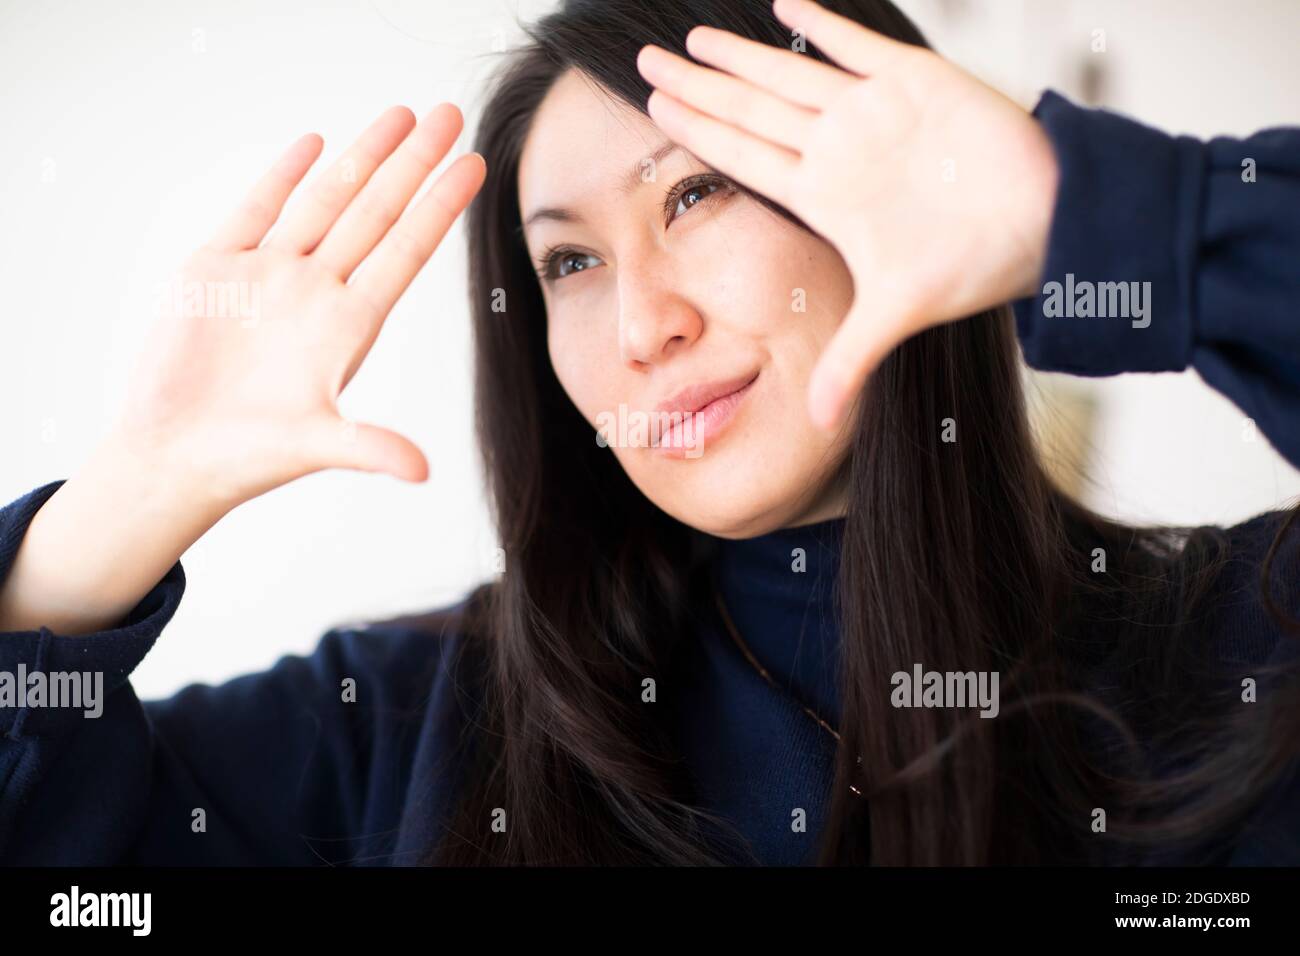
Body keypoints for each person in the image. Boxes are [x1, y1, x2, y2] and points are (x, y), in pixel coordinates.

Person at [1, 0, 1298, 866]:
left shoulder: (1232, 648)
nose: (640, 326)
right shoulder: (400, 724)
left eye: (696, 194)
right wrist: (133, 494)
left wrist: (1091, 217)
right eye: (569, 263)